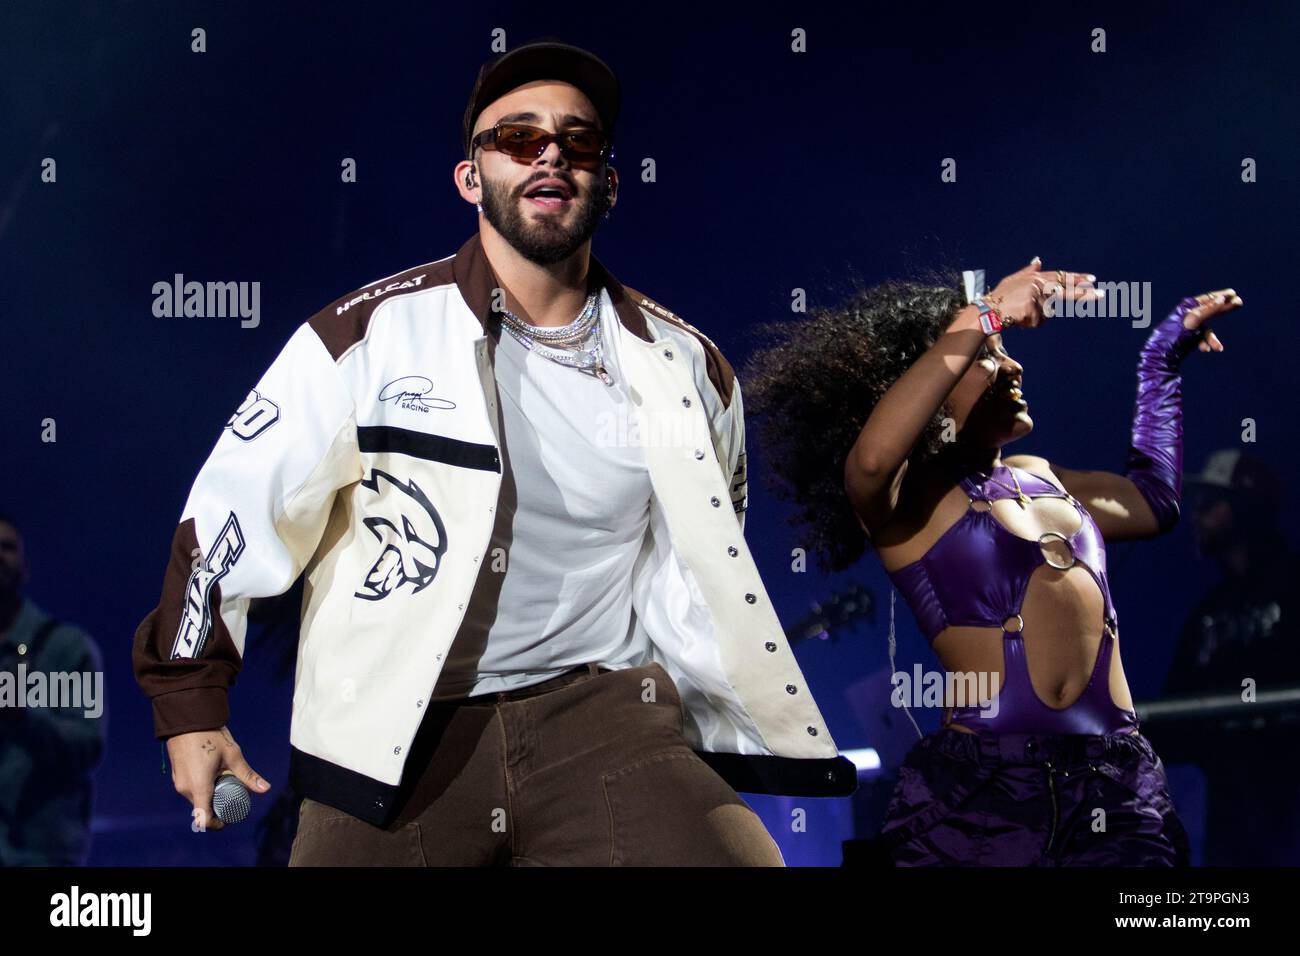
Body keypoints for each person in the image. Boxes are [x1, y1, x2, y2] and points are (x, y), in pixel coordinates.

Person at [132, 37, 853, 867]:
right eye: (517, 138)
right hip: (395, 732)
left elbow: (703, 551)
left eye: (578, 141)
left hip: (607, 717)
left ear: (608, 183)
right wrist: (191, 706)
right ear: (471, 177)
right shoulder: (366, 337)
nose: (551, 153)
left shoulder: (688, 367)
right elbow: (230, 512)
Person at [742, 259, 1238, 865]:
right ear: (923, 386)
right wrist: (987, 312)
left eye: (1002, 349)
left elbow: (1155, 503)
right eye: (988, 354)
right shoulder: (909, 502)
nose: (1013, 364)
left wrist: (1160, 363)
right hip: (983, 795)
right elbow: (871, 461)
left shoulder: (1045, 477)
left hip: (1115, 781)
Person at [1161, 449, 1300, 864]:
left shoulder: (1293, 586)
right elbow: (1172, 714)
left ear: (1245, 508)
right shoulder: (1207, 614)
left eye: (1210, 503)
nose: (1195, 516)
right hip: (1231, 806)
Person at [0, 513, 106, 865]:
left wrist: (21, 715)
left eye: (8, 547)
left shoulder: (66, 647)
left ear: (25, 566)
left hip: (37, 855)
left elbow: (89, 744)